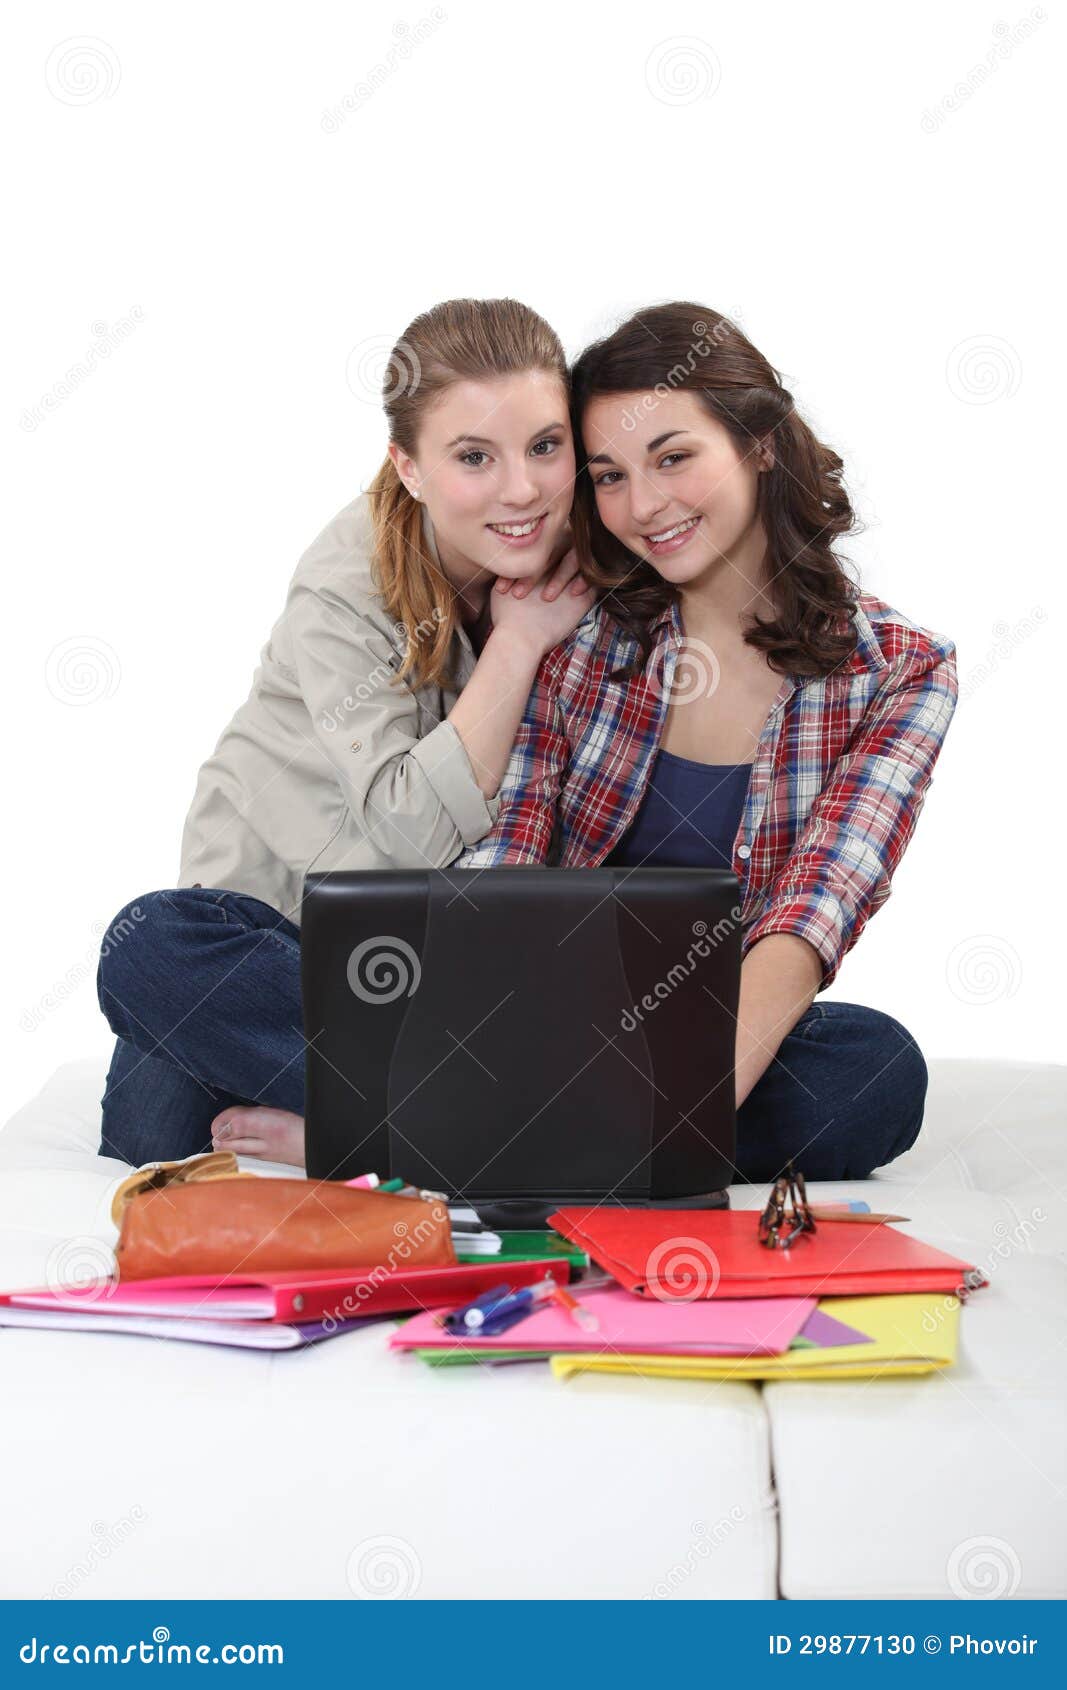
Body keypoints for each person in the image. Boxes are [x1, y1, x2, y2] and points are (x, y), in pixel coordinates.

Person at [455, 302, 959, 1183]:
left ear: (758, 444)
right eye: (608, 476)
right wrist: (490, 1044)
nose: (642, 506)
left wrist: (651, 1117)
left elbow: (816, 909)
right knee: (169, 940)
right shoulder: (579, 637)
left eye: (673, 458)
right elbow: (509, 856)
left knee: (873, 1071)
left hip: (713, 1035)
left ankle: (445, 1134)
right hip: (538, 1011)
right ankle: (489, 1120)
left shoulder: (900, 671)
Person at [96, 297, 594, 1168]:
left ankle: (404, 1122)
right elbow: (408, 831)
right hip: (286, 946)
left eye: (545, 447)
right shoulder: (346, 583)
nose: (523, 489)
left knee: (868, 1070)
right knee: (149, 961)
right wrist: (515, 646)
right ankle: (486, 1124)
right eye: (473, 457)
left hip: (464, 975)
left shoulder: (597, 556)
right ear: (407, 466)